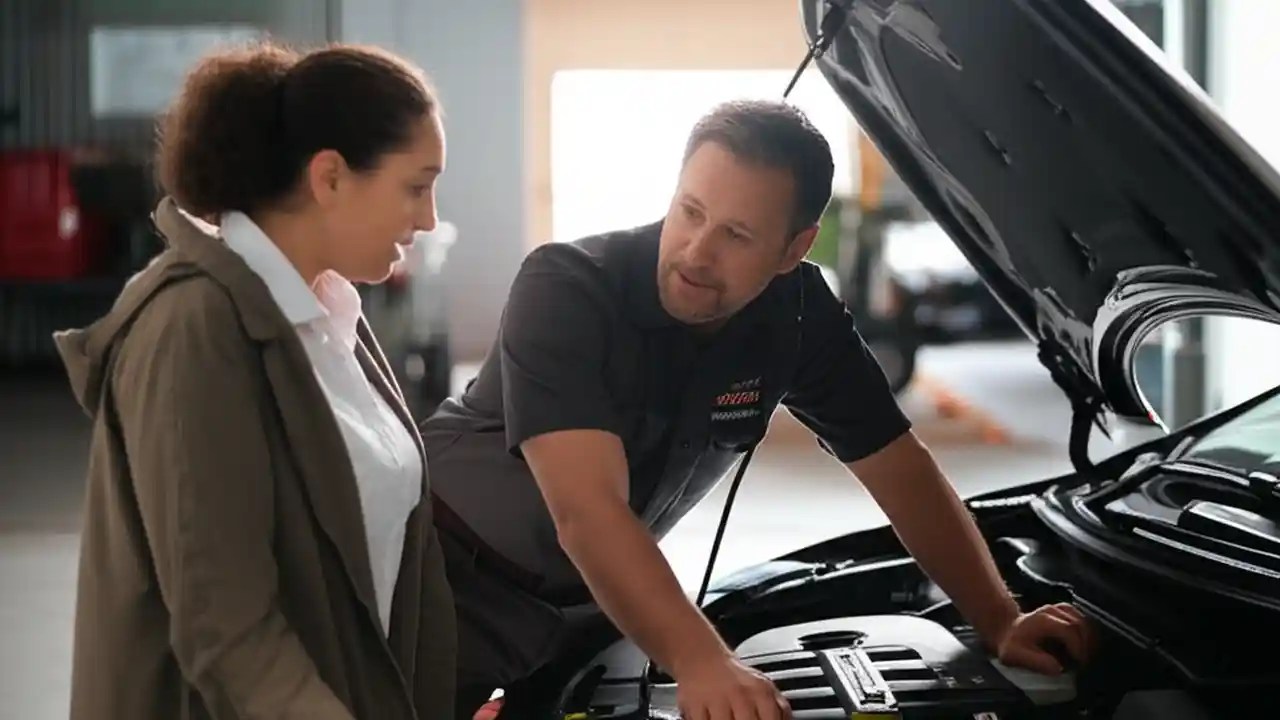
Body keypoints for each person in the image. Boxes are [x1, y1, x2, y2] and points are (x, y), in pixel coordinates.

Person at [422, 99, 1096, 719]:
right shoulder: (568, 288)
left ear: (794, 249)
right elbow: (588, 511)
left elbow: (900, 469)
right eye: (690, 211)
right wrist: (701, 660)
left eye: (737, 234)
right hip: (448, 582)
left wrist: (999, 619)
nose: (697, 252)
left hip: (592, 604)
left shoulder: (800, 319)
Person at [53, 40, 457, 719]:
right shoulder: (193, 328)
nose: (429, 218)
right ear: (330, 178)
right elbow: (226, 629)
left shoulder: (331, 315)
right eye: (416, 186)